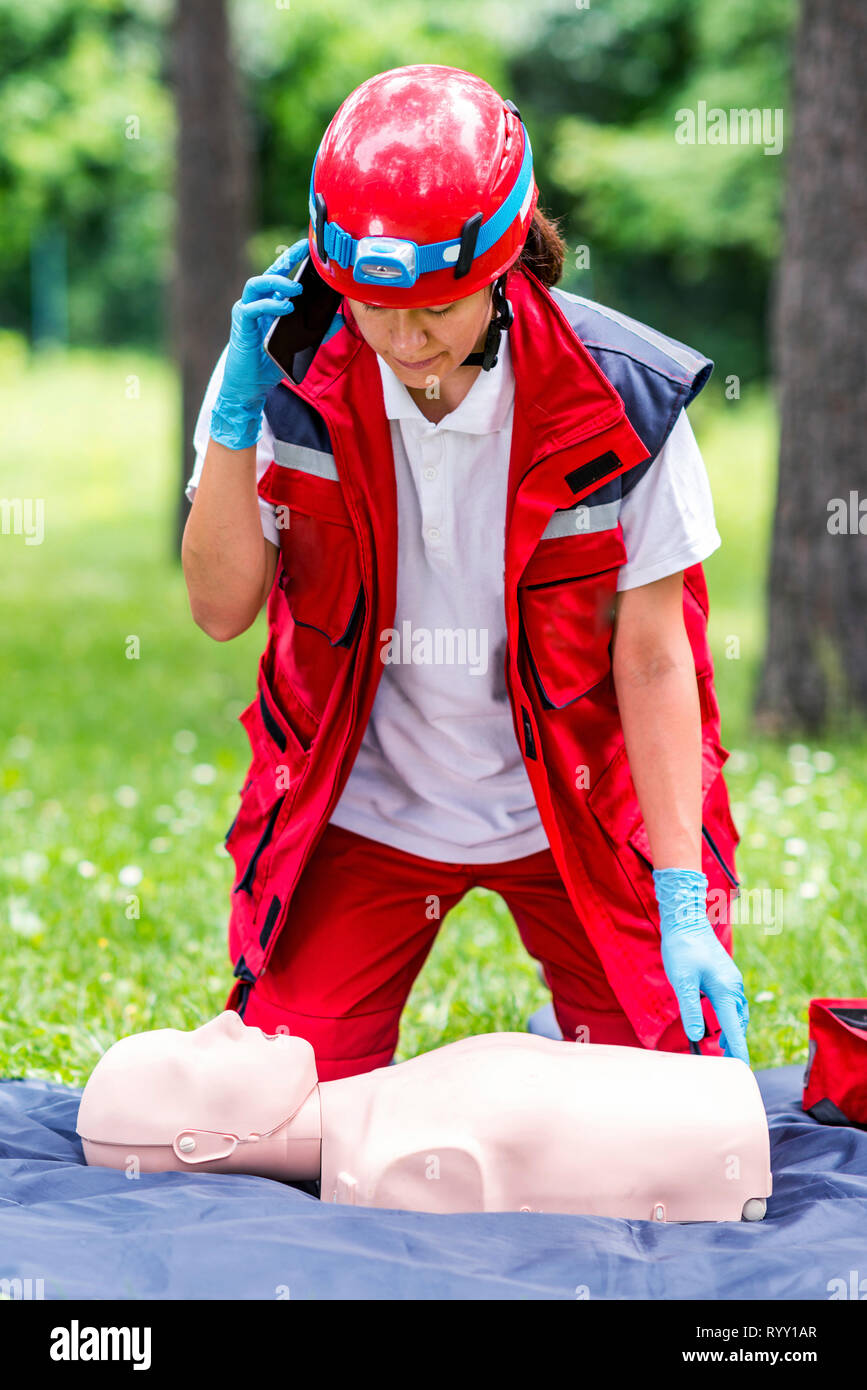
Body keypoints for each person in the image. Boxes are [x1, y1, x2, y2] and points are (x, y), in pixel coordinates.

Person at [181, 64, 750, 1083]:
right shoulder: (277, 368)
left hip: (578, 814)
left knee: (674, 1109)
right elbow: (221, 610)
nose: (404, 340)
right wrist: (235, 418)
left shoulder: (627, 397)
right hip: (361, 809)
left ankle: (574, 1029)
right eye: (373, 306)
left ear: (501, 266)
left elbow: (657, 659)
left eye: (436, 307)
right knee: (280, 1110)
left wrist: (679, 898)